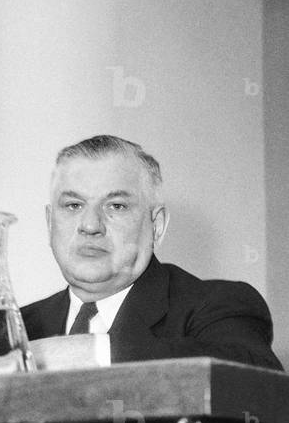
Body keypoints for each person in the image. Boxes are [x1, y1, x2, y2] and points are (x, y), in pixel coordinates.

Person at [21, 135, 282, 370]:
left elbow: (253, 378)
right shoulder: (17, 328)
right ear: (50, 223)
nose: (90, 225)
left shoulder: (218, 305)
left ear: (156, 226)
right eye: (73, 205)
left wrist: (91, 353)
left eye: (116, 206)